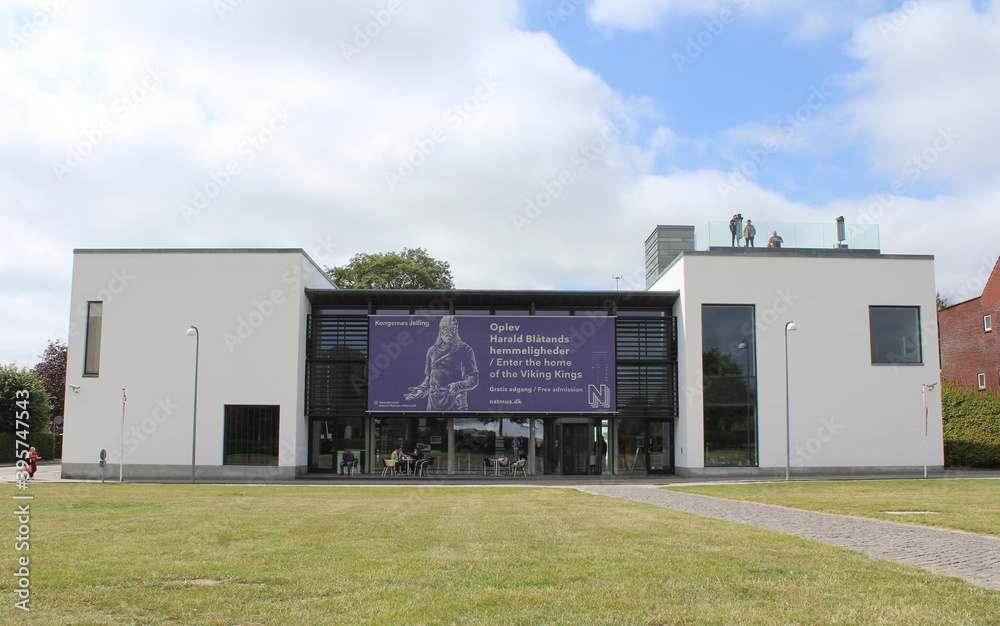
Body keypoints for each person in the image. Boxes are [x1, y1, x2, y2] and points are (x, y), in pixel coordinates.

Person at [405, 316, 479, 411]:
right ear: (440, 331)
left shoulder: (465, 350)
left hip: (454, 401)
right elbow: (429, 378)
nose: (448, 334)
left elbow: (473, 379)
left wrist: (457, 386)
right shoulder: (432, 351)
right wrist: (421, 389)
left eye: (452, 330)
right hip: (433, 402)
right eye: (445, 330)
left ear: (456, 330)